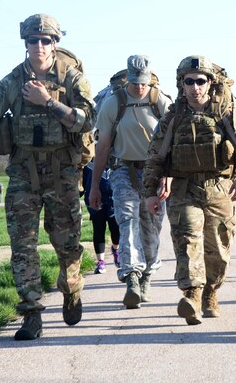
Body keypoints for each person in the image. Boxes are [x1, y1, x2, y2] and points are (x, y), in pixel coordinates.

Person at [0, 13, 95, 341]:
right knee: (22, 245)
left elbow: (87, 121)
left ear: (55, 44)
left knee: (67, 244)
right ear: (25, 43)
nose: (39, 46)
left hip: (63, 174)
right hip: (23, 174)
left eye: (45, 40)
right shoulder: (11, 83)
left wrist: (48, 102)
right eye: (33, 40)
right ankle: (31, 313)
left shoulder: (73, 80)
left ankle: (71, 287)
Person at [144, 56, 236, 325]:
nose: (195, 87)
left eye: (200, 81)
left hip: (218, 188)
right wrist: (150, 192)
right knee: (187, 240)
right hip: (184, 188)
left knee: (218, 247)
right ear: (181, 84)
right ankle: (192, 295)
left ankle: (210, 293)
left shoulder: (225, 112)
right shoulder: (174, 117)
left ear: (210, 83)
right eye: (189, 81)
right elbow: (156, 156)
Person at [88, 55, 172, 309]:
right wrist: (94, 186)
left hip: (154, 172)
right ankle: (132, 277)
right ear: (128, 79)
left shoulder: (160, 102)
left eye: (143, 82)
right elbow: (102, 147)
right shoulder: (114, 103)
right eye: (135, 83)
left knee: (151, 228)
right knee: (127, 221)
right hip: (123, 169)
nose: (139, 87)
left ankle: (147, 275)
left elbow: (173, 144)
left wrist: (168, 176)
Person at [82, 163, 120, 274]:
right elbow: (83, 181)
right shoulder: (89, 161)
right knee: (98, 229)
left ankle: (116, 249)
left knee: (116, 229)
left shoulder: (117, 159)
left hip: (114, 198)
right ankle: (100, 261)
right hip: (95, 199)